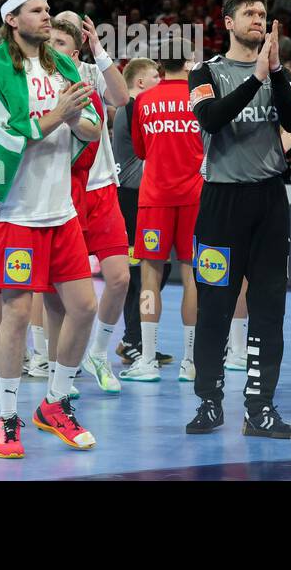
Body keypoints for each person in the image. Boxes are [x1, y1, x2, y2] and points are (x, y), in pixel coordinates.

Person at [0, 0, 102, 458]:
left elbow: (94, 123)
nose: (47, 16)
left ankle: (54, 404)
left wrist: (76, 120)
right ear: (13, 20)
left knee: (84, 307)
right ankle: (8, 417)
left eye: (48, 9)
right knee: (15, 314)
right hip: (14, 213)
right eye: (37, 11)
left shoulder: (62, 64)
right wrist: (57, 116)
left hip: (60, 211)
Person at [185, 0, 291, 438]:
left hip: (269, 202)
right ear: (229, 23)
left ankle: (260, 408)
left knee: (269, 307)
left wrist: (272, 74)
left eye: (263, 13)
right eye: (250, 13)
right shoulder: (206, 71)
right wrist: (255, 79)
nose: (259, 19)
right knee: (215, 306)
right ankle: (209, 402)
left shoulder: (280, 73)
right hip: (221, 202)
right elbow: (211, 119)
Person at [49, 11, 133, 395]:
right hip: (62, 189)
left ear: (79, 46)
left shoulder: (90, 72)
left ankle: (97, 353)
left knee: (120, 278)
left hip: (101, 188)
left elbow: (121, 98)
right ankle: (55, 365)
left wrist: (100, 51)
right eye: (50, 41)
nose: (54, 47)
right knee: (62, 291)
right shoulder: (42, 81)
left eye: (62, 41)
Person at [122, 46, 204, 383]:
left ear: (160, 65)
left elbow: (140, 150)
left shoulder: (144, 100)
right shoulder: (200, 98)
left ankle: (148, 360)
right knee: (192, 276)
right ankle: (190, 361)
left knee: (149, 277)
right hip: (195, 197)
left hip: (154, 197)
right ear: (188, 62)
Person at [110, 58, 168, 365]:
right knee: (140, 271)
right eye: (155, 77)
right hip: (132, 199)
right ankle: (132, 339)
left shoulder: (131, 108)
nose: (161, 82)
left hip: (135, 196)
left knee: (156, 267)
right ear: (141, 83)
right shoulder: (134, 108)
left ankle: (135, 338)